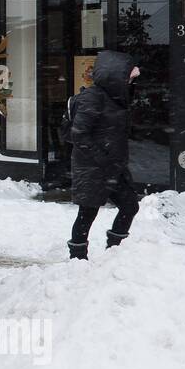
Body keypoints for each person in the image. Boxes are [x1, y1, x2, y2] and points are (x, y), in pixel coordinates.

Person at [67, 50, 141, 260]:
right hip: (93, 168)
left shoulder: (117, 98)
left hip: (113, 167)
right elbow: (79, 134)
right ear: (116, 77)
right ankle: (78, 258)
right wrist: (101, 158)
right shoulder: (93, 97)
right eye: (129, 78)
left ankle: (115, 252)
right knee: (87, 213)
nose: (131, 83)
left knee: (130, 206)